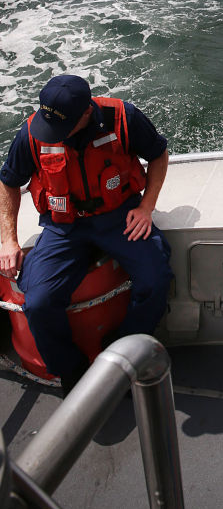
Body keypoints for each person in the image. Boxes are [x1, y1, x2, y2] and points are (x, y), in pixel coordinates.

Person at [0, 74, 173, 394]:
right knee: (38, 301)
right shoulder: (31, 133)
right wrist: (8, 239)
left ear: (86, 114)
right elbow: (9, 181)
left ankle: (124, 347)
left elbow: (159, 155)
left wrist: (147, 207)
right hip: (63, 226)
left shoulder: (124, 117)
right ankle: (72, 369)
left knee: (156, 277)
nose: (51, 134)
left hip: (118, 215)